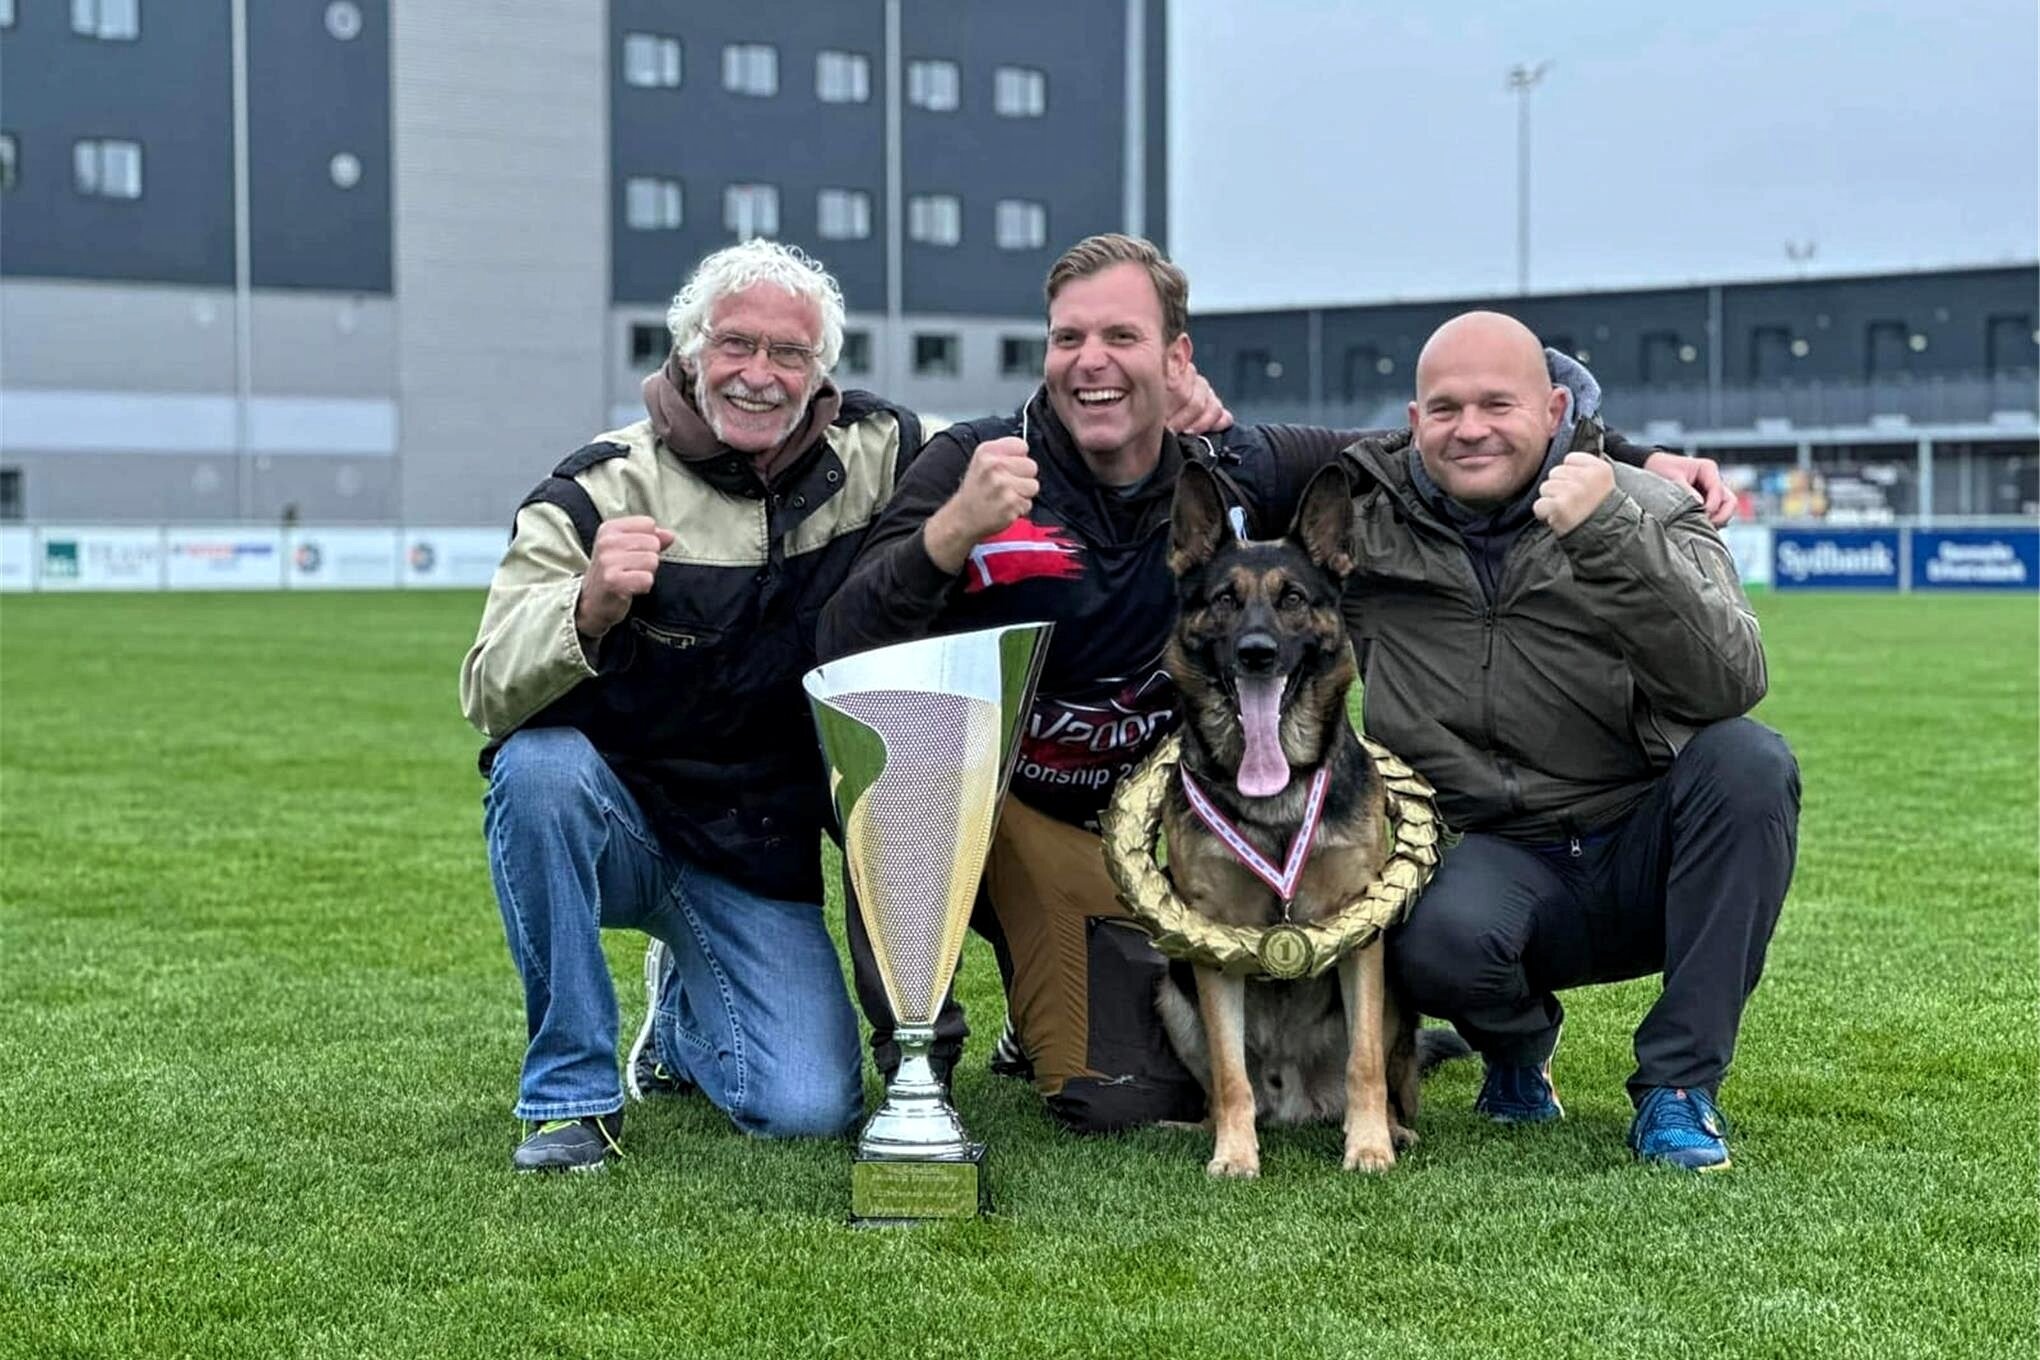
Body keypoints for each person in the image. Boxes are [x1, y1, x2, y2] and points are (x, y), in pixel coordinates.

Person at [818, 234, 1722, 1133]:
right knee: (901, 779)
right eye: (1068, 338)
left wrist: (1642, 465)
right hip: (1014, 823)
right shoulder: (976, 461)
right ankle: (917, 1068)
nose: (1091, 362)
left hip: (1168, 841)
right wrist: (954, 530)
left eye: (1122, 338)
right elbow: (842, 643)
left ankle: (1051, 1001)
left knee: (1130, 1098)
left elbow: (1451, 441)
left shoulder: (1242, 466)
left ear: (1177, 360)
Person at [459, 240, 929, 1171]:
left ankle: (681, 1019)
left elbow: (1012, 452)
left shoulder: (884, 454)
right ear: (688, 350)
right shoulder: (594, 489)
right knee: (535, 769)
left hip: (753, 851)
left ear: (821, 369)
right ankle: (572, 1099)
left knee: (807, 1109)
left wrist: (1179, 412)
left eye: (789, 354)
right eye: (735, 346)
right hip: (619, 822)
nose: (760, 375)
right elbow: (485, 689)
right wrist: (588, 604)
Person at [1345, 310, 1800, 1171]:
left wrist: (1608, 534)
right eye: (1444, 409)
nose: (1470, 428)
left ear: (1555, 410)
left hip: (1642, 848)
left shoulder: (1651, 506)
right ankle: (1517, 1047)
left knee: (1749, 763)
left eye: (1497, 404)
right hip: (1492, 853)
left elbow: (1731, 680)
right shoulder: (1369, 534)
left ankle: (1677, 1089)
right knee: (1433, 941)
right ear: (1413, 424)